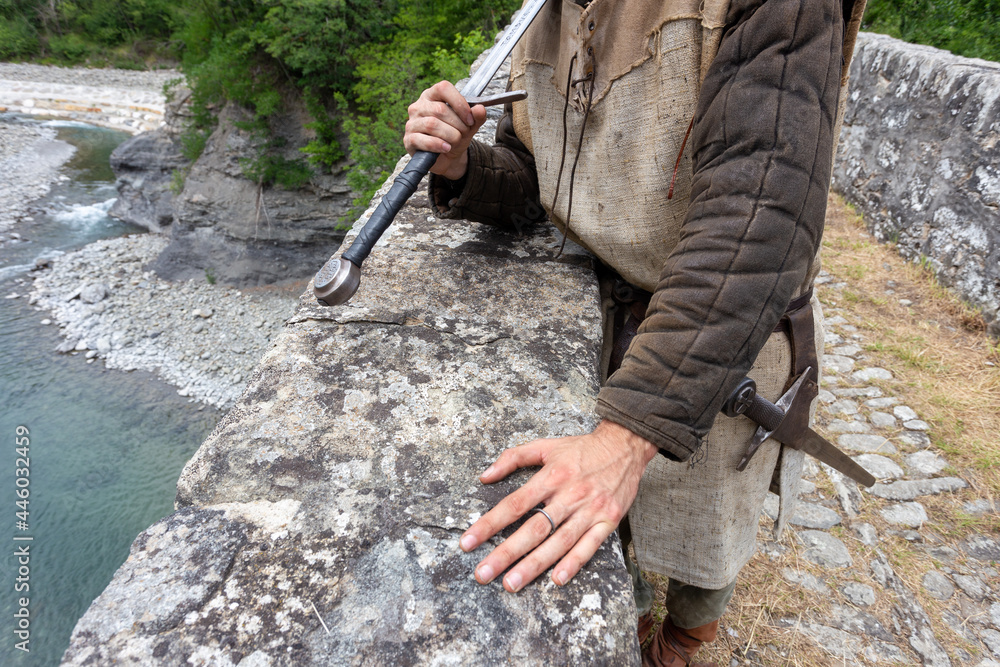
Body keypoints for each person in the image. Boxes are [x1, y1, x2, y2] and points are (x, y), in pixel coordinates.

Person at [403, 0, 866, 664]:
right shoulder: (547, 15)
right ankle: (637, 623)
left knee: (711, 539)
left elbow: (761, 212)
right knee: (617, 537)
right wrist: (462, 166)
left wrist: (626, 437)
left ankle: (684, 638)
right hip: (611, 320)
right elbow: (540, 175)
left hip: (726, 332)